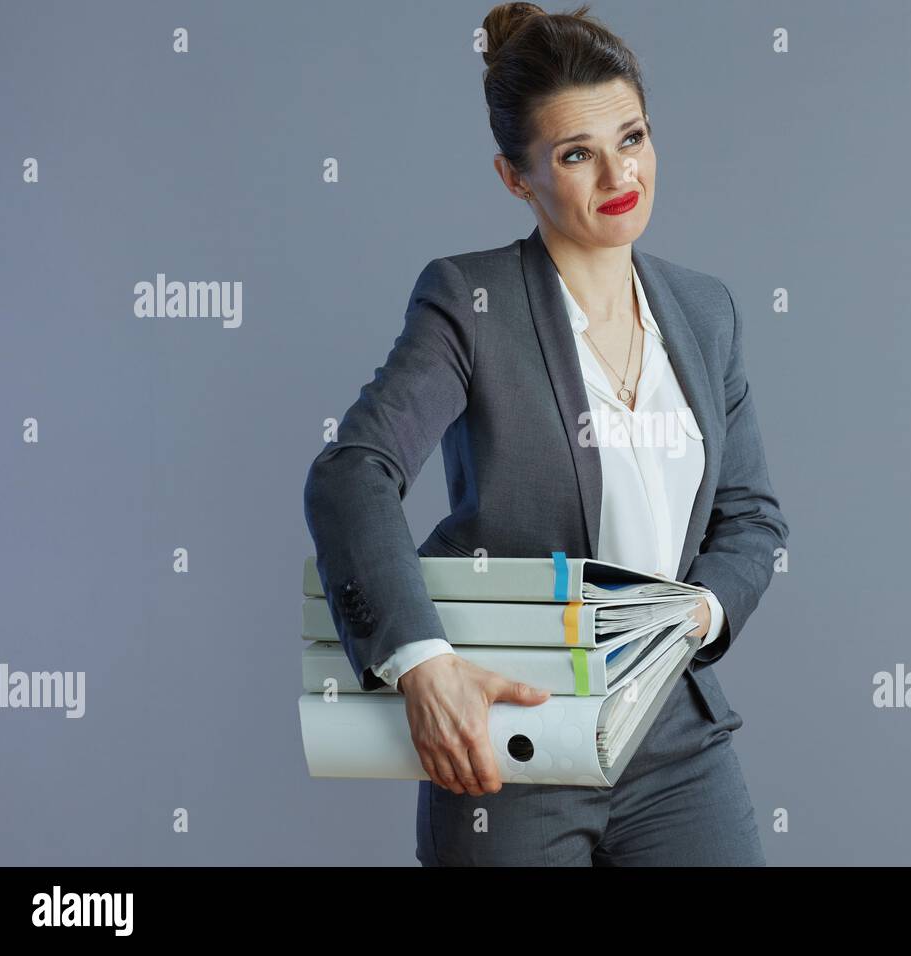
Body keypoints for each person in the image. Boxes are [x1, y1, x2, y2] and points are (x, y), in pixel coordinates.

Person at [303, 1, 788, 866]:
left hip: (676, 734)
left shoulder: (707, 311)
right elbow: (353, 472)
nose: (617, 175)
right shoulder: (469, 301)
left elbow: (750, 517)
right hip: (513, 736)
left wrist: (694, 615)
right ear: (514, 177)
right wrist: (422, 665)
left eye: (631, 137)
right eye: (576, 154)